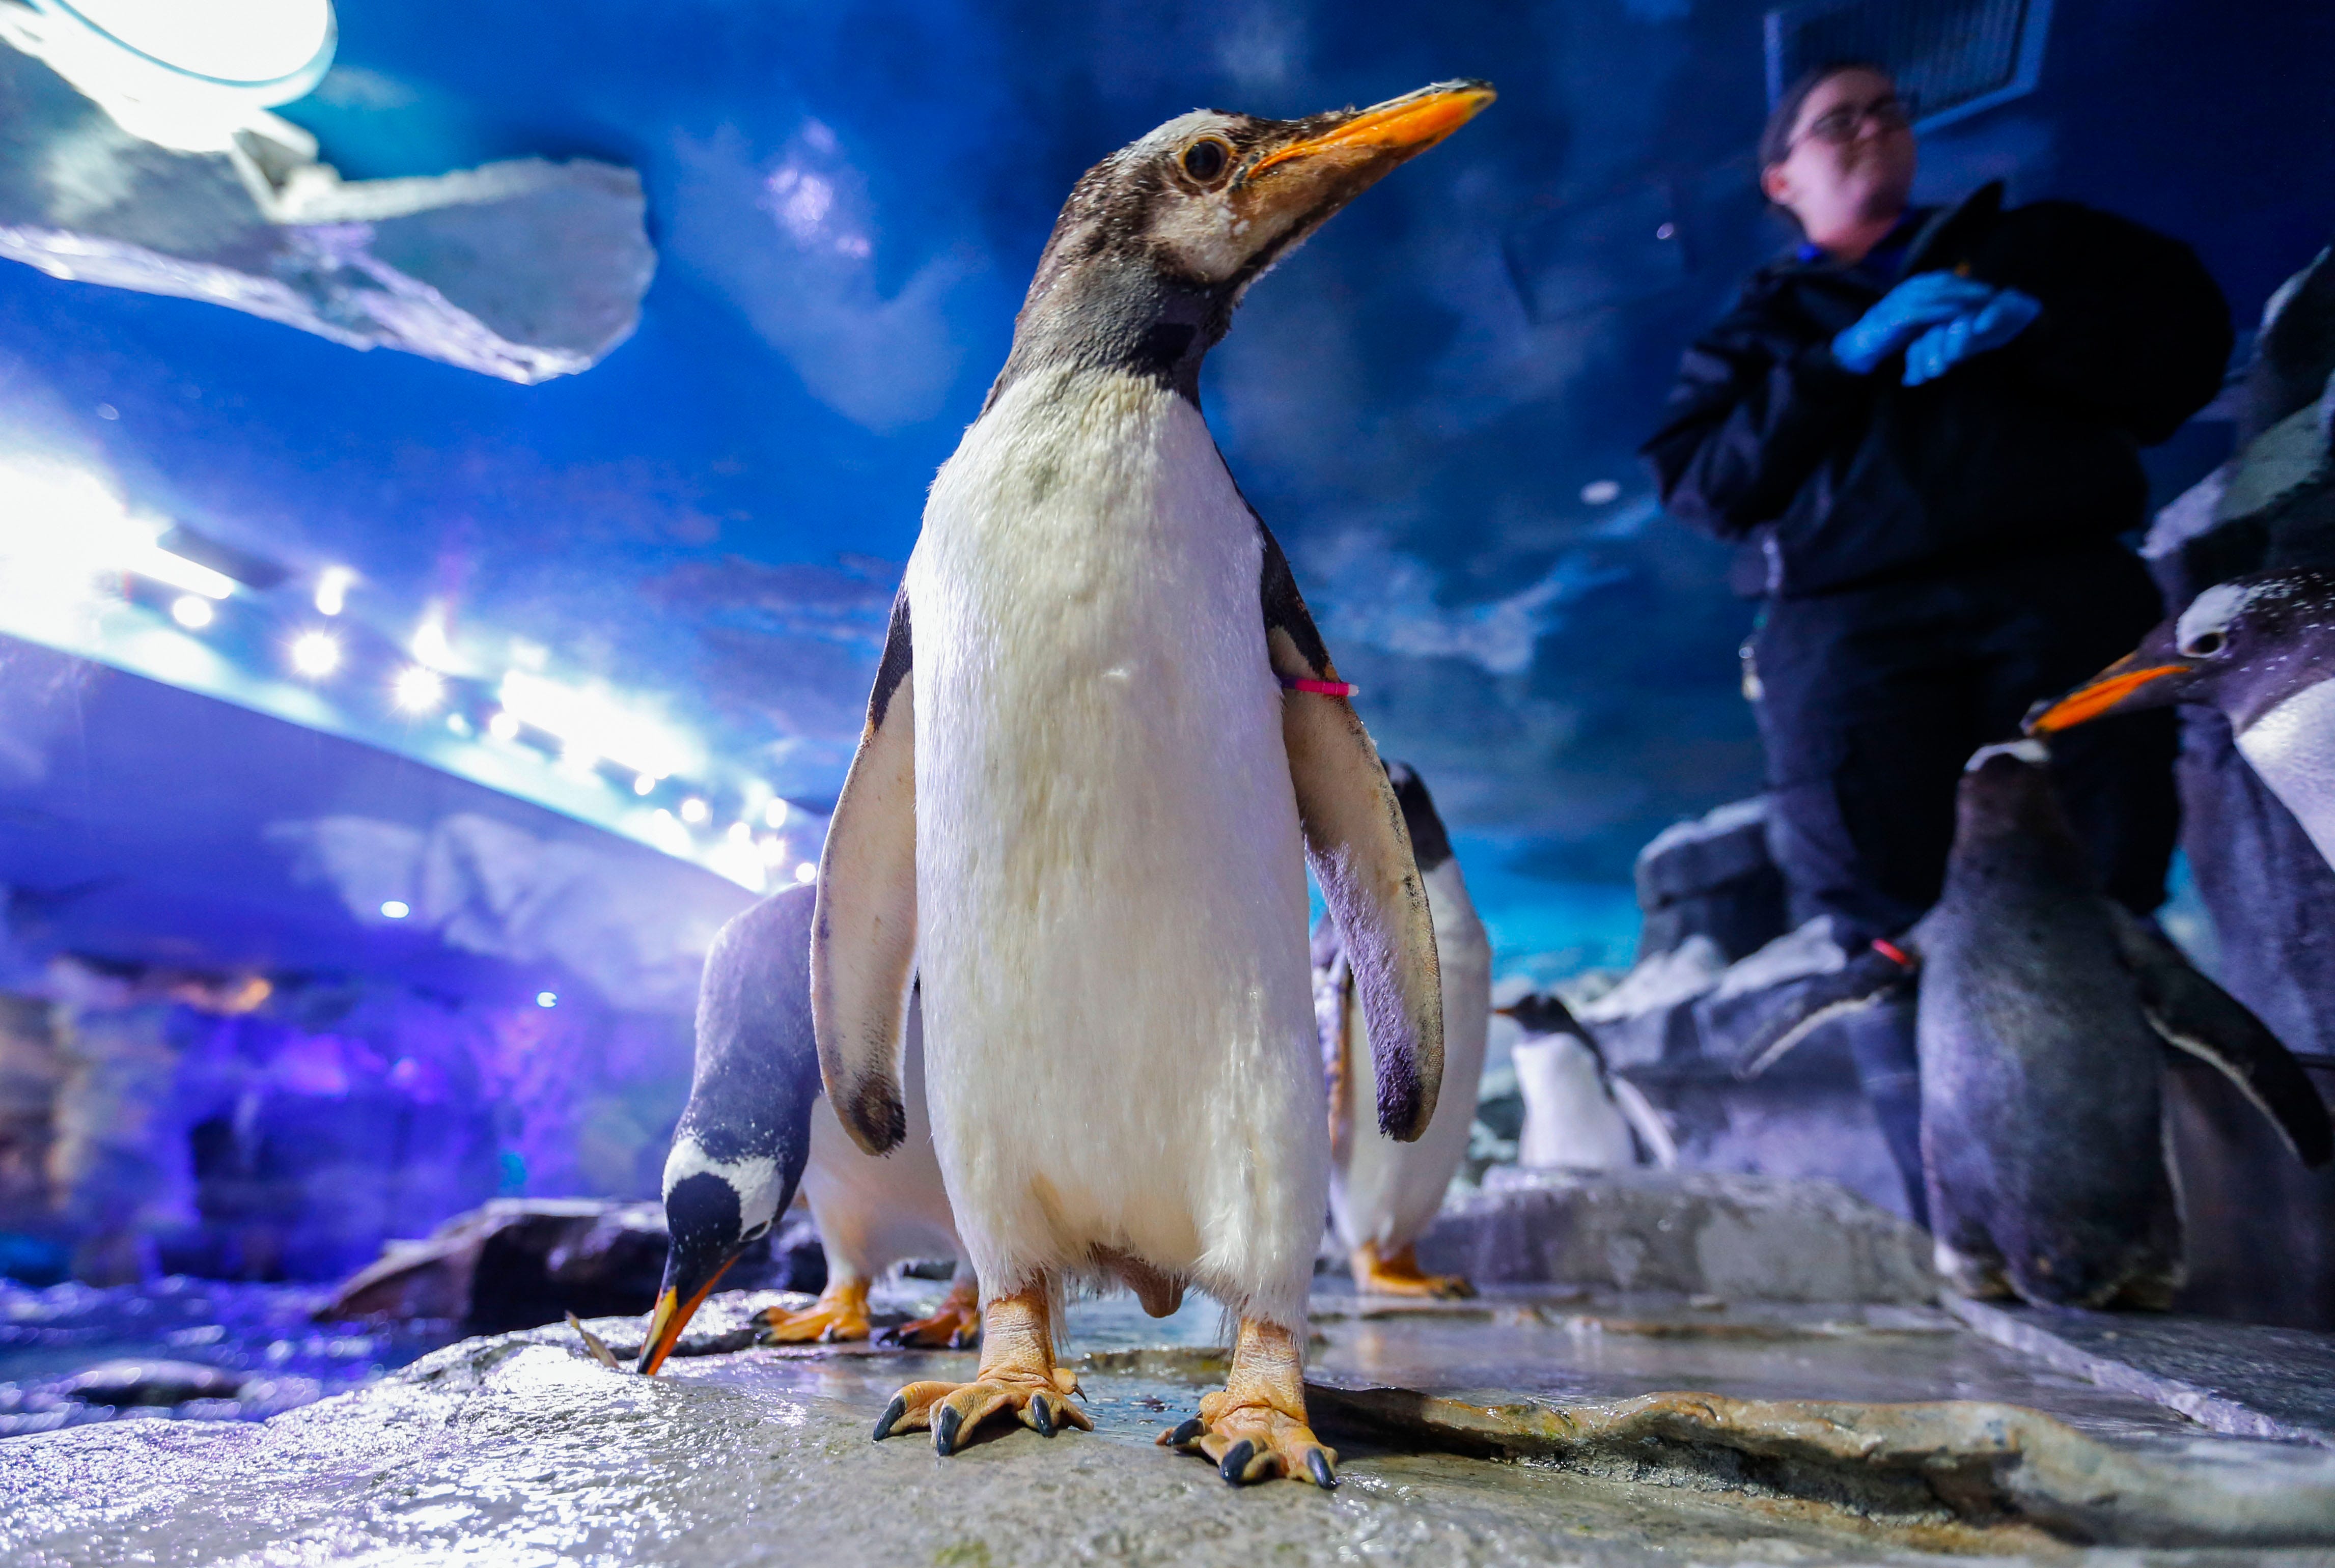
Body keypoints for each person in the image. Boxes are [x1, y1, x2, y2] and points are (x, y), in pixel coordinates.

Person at [1641, 62, 2231, 1224]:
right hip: (1849, 641)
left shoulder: (2040, 249)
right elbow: (1705, 485)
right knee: (1884, 932)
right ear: (1780, 179)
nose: (1870, 128)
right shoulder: (1756, 336)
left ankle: (2121, 1227)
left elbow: (2179, 356)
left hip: (2056, 597)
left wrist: (2037, 327)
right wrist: (1834, 362)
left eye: (1885, 110)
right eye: (1835, 120)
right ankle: (1957, 1233)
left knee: (2101, 894)